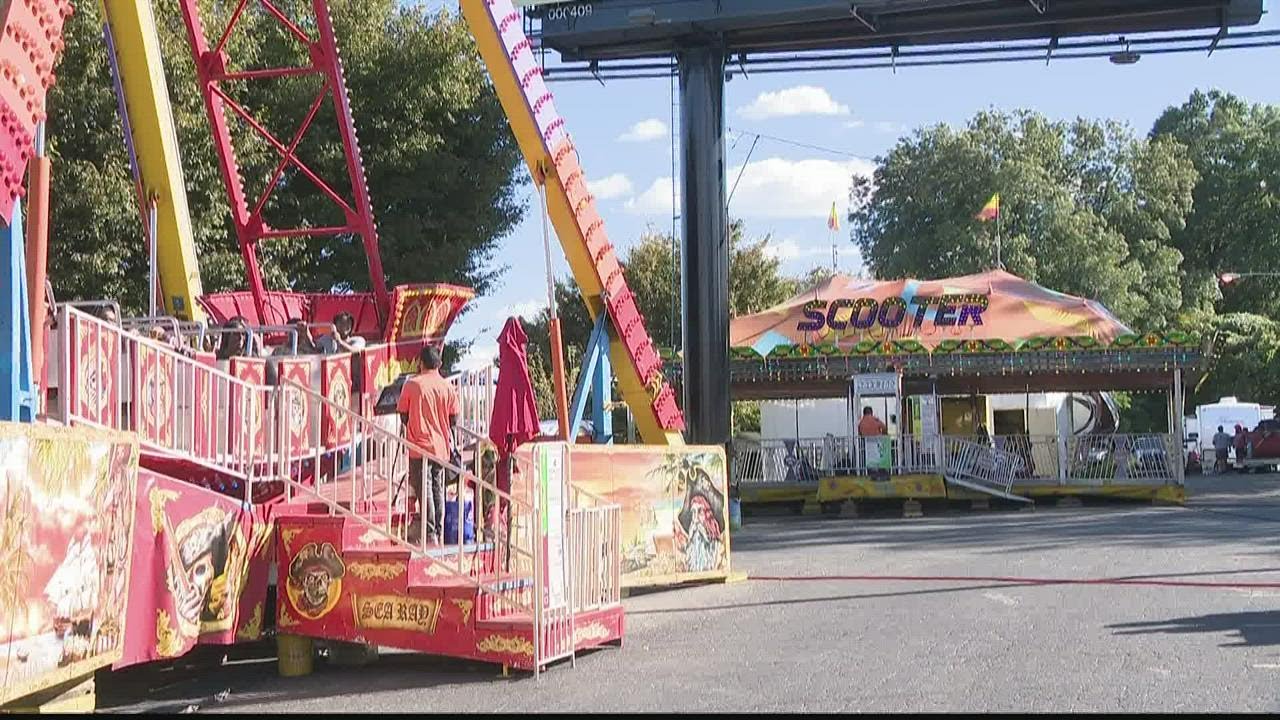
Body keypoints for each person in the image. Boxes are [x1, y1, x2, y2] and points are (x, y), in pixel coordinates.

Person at [397, 344, 459, 546]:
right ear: (439, 363)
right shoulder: (447, 386)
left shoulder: (412, 385)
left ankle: (430, 531)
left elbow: (403, 415)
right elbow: (454, 419)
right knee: (437, 488)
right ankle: (437, 532)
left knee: (425, 489)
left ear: (420, 362)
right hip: (441, 447)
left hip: (419, 446)